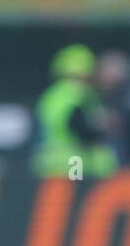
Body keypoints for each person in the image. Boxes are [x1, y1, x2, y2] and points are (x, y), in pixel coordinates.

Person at [33, 43, 118, 179]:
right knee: (77, 197)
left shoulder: (52, 95)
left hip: (53, 163)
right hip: (75, 163)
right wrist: (104, 126)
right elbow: (79, 128)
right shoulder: (78, 94)